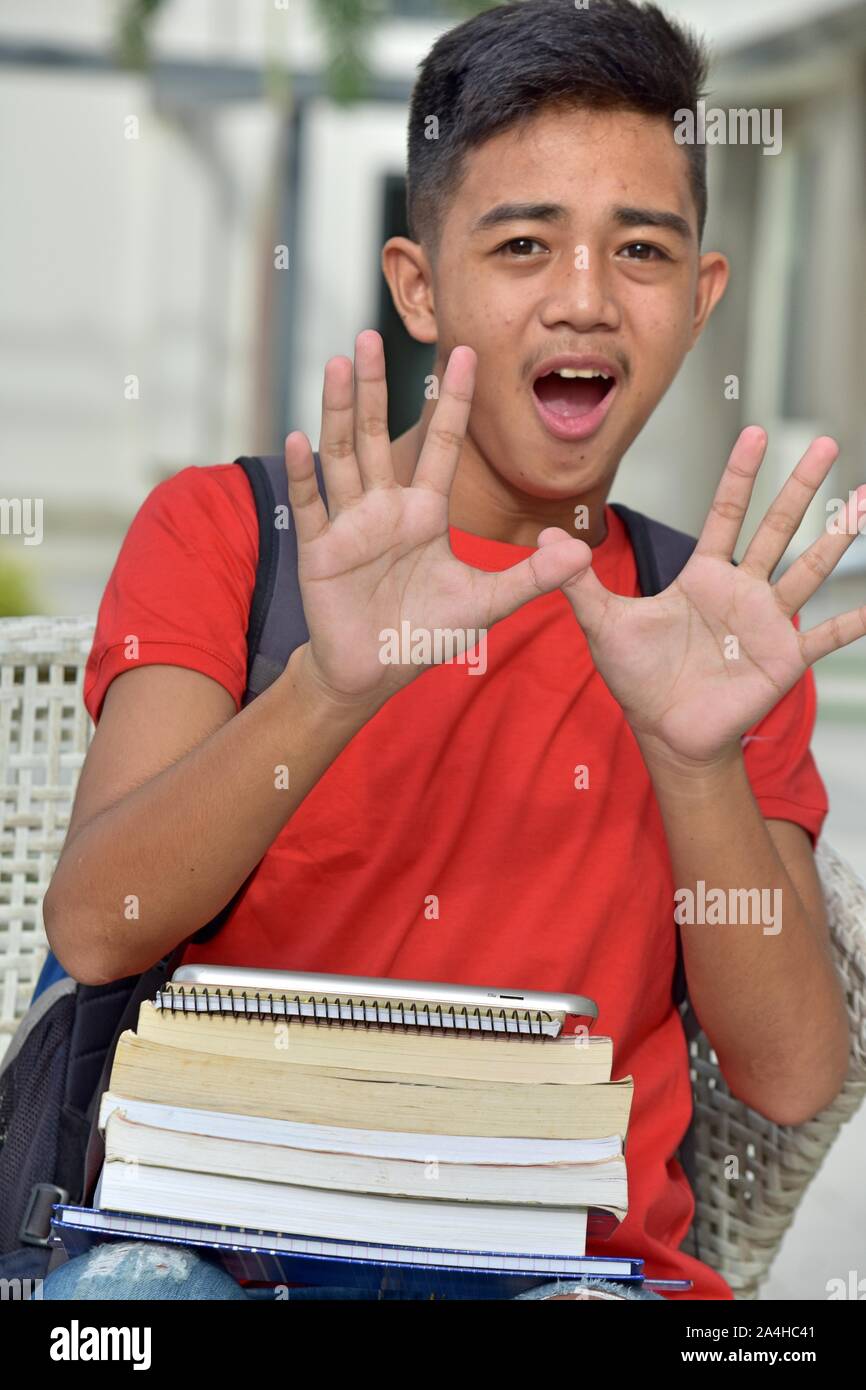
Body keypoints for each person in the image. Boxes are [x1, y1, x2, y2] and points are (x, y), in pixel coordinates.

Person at [41, 0, 858, 1302]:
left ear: (700, 296)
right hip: (213, 1257)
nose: (584, 298)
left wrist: (693, 762)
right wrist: (324, 690)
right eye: (523, 243)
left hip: (564, 1273)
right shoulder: (236, 538)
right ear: (418, 285)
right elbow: (97, 926)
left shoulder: (702, 627)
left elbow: (793, 1074)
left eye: (638, 248)